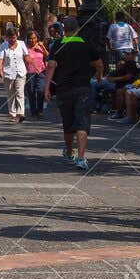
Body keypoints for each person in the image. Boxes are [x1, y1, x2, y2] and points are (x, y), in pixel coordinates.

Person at [44, 16, 103, 170]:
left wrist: (47, 88)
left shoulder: (58, 45)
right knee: (82, 122)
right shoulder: (86, 44)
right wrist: (99, 77)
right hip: (83, 88)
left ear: (65, 29)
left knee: (68, 123)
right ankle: (82, 158)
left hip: (64, 89)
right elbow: (98, 63)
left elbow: (51, 66)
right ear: (77, 29)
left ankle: (70, 152)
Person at [0, 26, 28, 122]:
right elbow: (0, 59)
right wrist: (0, 69)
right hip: (8, 73)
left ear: (17, 36)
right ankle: (13, 114)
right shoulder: (3, 45)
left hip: (20, 72)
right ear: (7, 37)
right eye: (11, 38)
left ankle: (21, 113)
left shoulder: (22, 44)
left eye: (14, 37)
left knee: (20, 92)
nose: (13, 40)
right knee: (10, 94)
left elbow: (26, 57)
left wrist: (35, 66)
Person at [23, 30, 49, 118]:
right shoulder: (25, 48)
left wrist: (43, 47)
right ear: (27, 39)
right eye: (30, 38)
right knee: (31, 92)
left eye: (34, 38)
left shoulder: (40, 46)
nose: (32, 40)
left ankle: (40, 110)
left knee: (41, 90)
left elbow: (48, 56)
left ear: (37, 38)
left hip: (41, 72)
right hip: (29, 72)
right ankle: (33, 111)